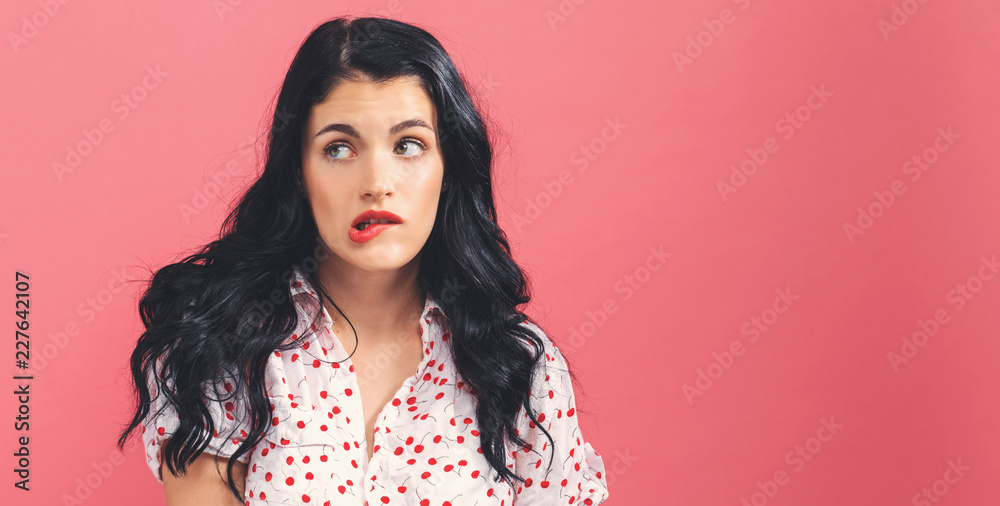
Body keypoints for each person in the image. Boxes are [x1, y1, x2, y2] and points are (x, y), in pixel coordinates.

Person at [117, 15, 609, 505]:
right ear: (299, 175)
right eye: (338, 148)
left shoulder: (521, 368)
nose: (376, 181)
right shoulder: (223, 346)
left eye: (408, 145)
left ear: (449, 170)